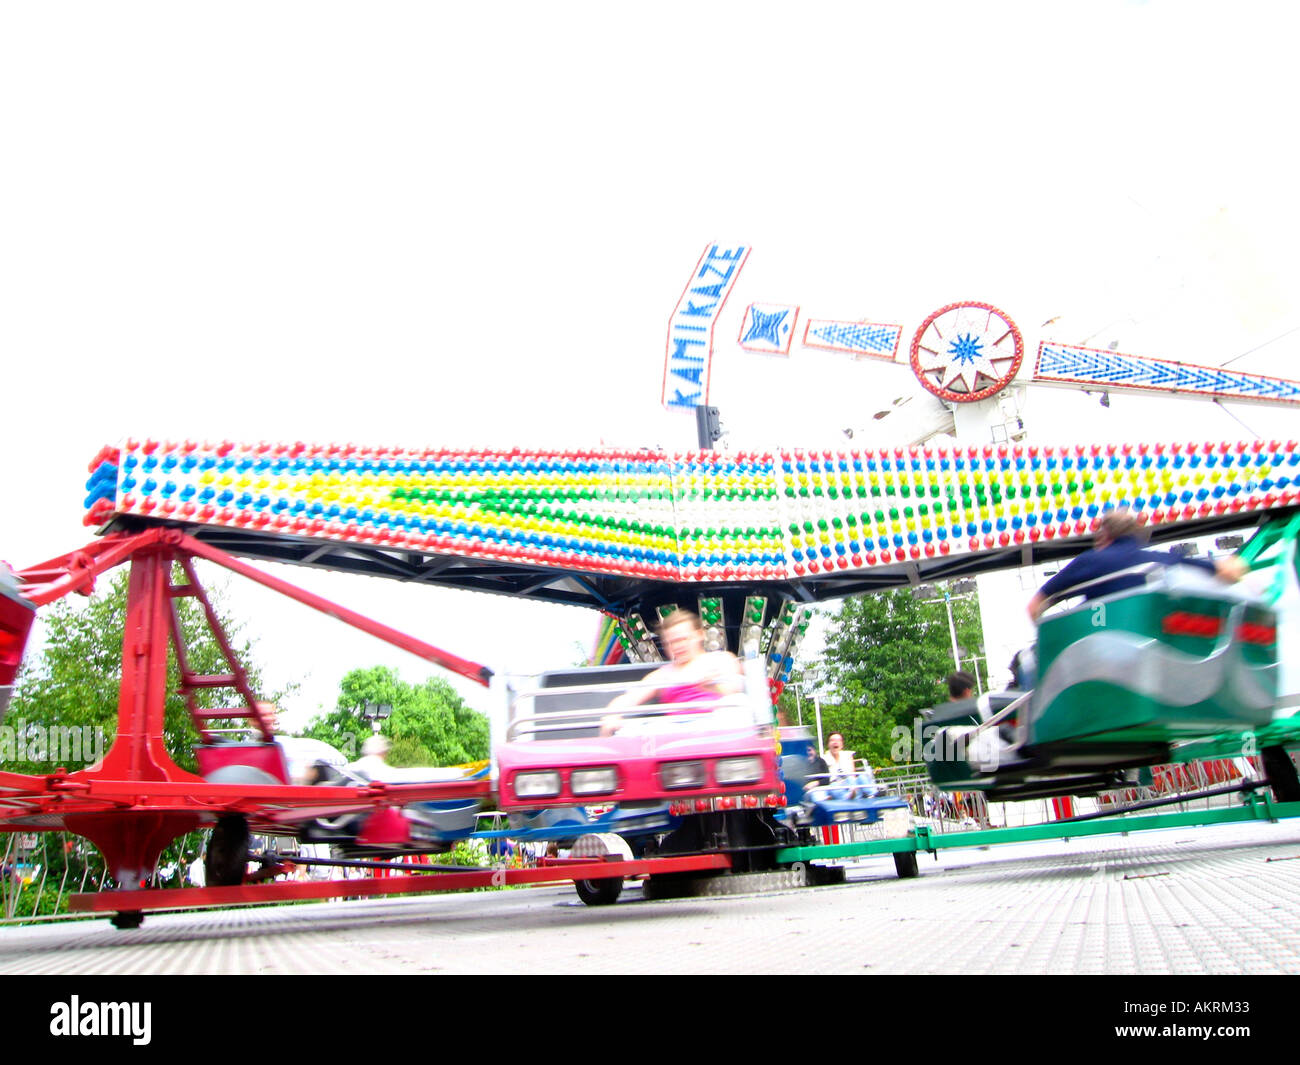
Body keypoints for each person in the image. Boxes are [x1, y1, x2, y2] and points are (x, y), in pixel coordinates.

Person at [1027, 509, 1246, 621]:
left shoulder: (1089, 561)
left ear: (1104, 536)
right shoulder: (1162, 560)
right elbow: (1231, 570)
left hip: (1103, 651)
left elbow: (1034, 607)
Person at [600, 609, 744, 735]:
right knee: (631, 731)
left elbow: (735, 691)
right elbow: (629, 698)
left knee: (738, 706)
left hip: (716, 724)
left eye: (683, 639)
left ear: (700, 634)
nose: (678, 646)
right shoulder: (663, 675)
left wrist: (713, 686)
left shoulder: (721, 660)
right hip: (677, 729)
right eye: (672, 642)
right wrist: (613, 715)